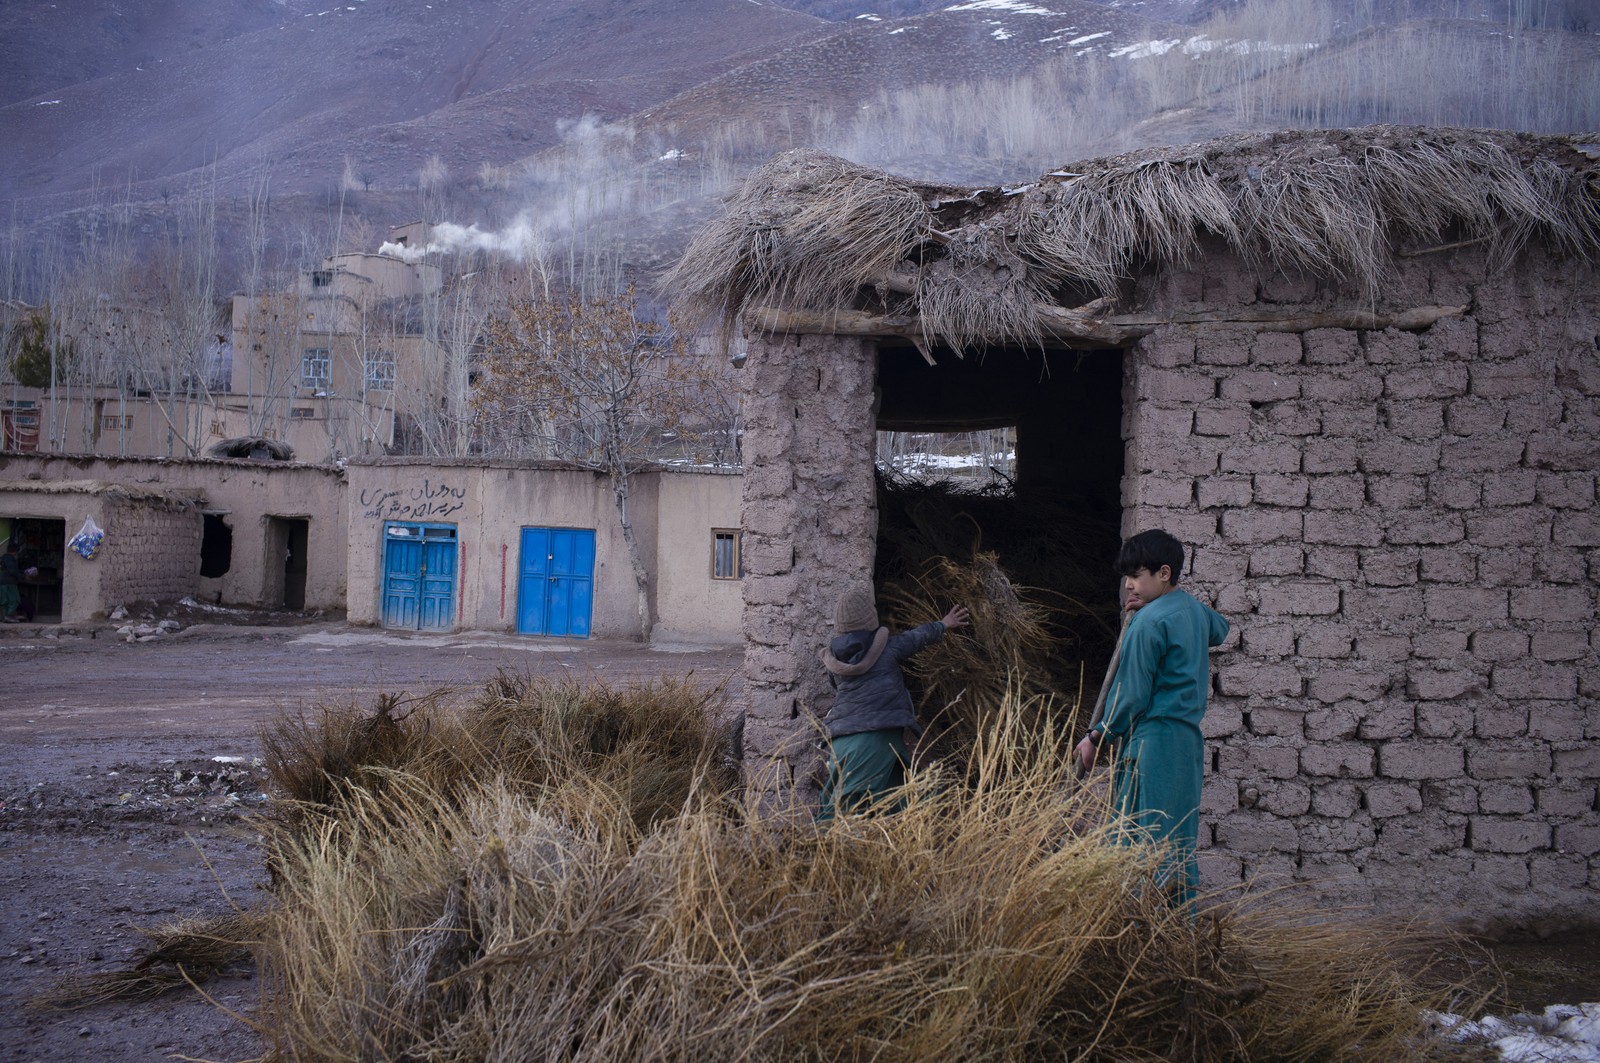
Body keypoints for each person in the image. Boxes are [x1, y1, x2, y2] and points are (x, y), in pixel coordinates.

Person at [1074, 529, 1229, 907]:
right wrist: (1169, 605)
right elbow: (1220, 629)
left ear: (1164, 573)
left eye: (1136, 576)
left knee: (1139, 843)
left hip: (1151, 745)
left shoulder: (1147, 624)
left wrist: (1096, 737)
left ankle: (1138, 929)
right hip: (1186, 747)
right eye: (1126, 577)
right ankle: (1179, 930)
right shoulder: (1192, 612)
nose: (1129, 585)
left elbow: (1131, 696)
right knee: (1176, 843)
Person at [816, 580, 969, 821]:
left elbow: (836, 688)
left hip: (841, 741)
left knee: (894, 792)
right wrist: (944, 623)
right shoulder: (887, 648)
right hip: (876, 736)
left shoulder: (834, 661)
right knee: (843, 813)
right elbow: (917, 638)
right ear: (870, 619)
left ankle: (917, 830)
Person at [0, 541, 22, 623]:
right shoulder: (10, 559)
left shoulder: (3, 558)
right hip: (10, 583)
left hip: (3, 583)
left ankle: (5, 616)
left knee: (5, 601)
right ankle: (8, 616)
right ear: (15, 551)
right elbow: (13, 571)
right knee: (14, 600)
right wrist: (23, 576)